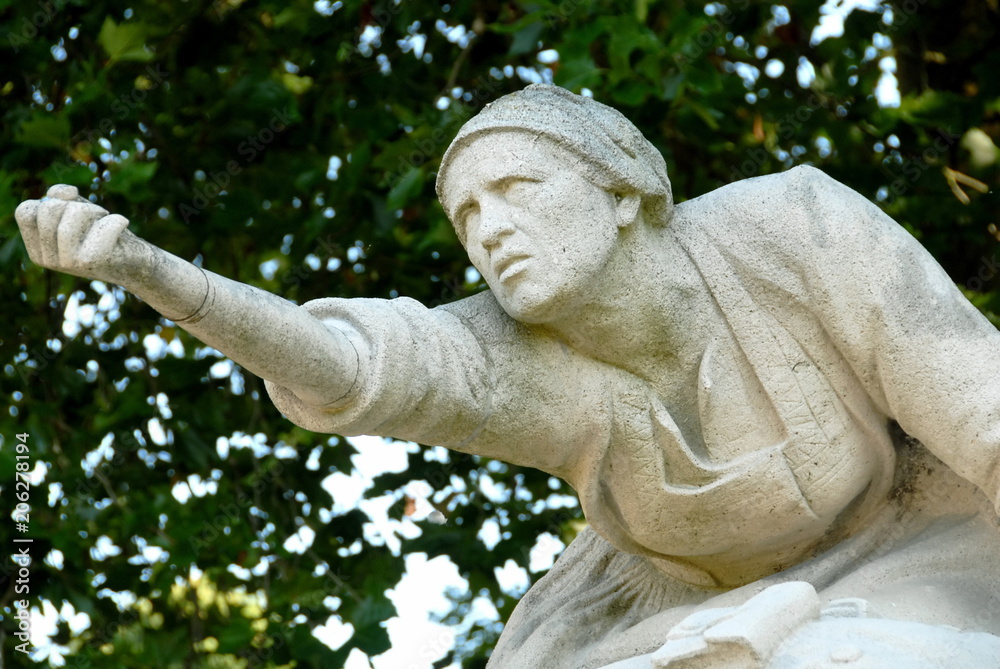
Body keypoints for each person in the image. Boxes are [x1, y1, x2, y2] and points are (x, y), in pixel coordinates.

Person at [15, 84, 1000, 668]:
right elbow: (357, 364)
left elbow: (979, 404)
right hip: (678, 617)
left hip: (921, 555)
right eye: (467, 218)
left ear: (625, 192)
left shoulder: (794, 226)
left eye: (517, 190)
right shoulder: (511, 352)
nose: (491, 233)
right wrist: (154, 275)